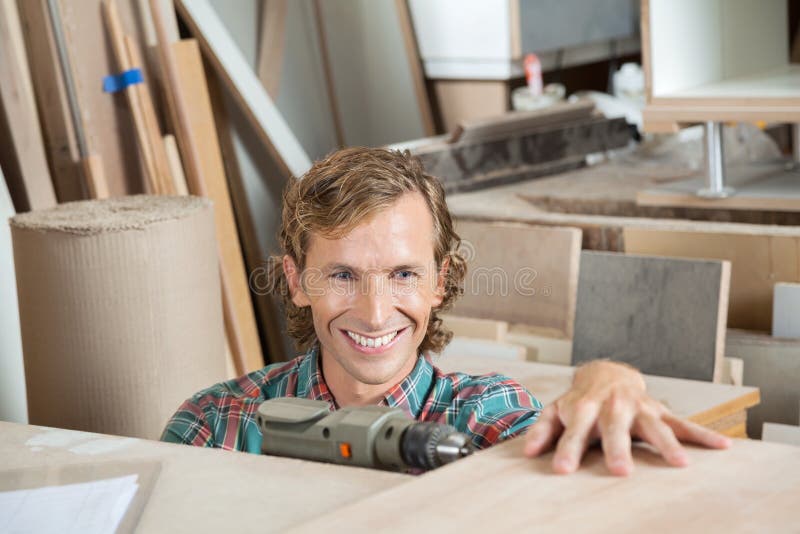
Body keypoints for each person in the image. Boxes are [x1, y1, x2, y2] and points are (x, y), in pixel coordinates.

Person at [161, 147, 730, 476]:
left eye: (403, 274)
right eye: (342, 275)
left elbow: (588, 461)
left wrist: (609, 379)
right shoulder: (216, 426)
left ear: (441, 281)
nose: (376, 312)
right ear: (297, 281)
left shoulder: (487, 418)